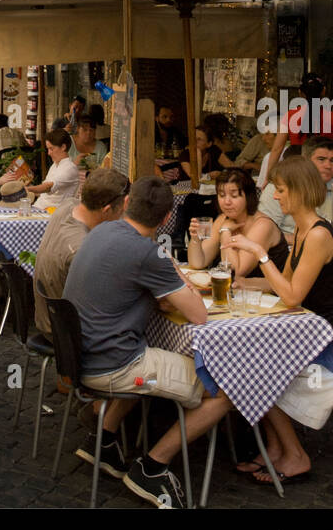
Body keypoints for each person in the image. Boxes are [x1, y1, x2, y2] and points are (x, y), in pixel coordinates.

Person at [64, 176, 232, 508]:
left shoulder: (102, 230)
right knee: (226, 388)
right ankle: (152, 467)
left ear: (126, 204)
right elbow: (198, 314)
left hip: (81, 355)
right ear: (168, 217)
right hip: (115, 367)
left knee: (151, 352)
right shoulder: (147, 253)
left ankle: (105, 440)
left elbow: (131, 283)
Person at [229, 157, 333, 484]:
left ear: (297, 191)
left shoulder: (319, 235)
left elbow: (292, 296)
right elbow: (282, 281)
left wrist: (260, 253)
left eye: (280, 190)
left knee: (258, 378)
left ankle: (295, 455)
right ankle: (277, 449)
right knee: (255, 370)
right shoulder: (301, 227)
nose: (276, 197)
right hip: (323, 337)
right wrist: (241, 283)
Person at [34, 169, 128, 337]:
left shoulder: (68, 206)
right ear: (106, 209)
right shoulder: (82, 250)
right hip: (67, 335)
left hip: (50, 319)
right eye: (122, 211)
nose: (123, 216)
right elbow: (109, 302)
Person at [186, 168, 288, 277]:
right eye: (222, 195)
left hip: (267, 292)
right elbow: (198, 263)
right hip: (239, 291)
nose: (227, 202)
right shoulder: (223, 219)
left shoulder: (262, 225)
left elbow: (236, 271)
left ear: (248, 197)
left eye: (234, 196)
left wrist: (225, 231)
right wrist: (195, 239)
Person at [257, 136, 333, 239]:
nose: (328, 166)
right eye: (321, 159)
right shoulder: (279, 187)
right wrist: (308, 240)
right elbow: (264, 232)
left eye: (332, 160)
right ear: (305, 160)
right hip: (285, 250)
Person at [27, 127, 81, 209]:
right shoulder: (55, 165)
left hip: (50, 214)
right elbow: (44, 191)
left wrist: (26, 189)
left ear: (63, 147)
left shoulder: (70, 168)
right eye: (48, 149)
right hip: (39, 208)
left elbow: (47, 187)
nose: (48, 153)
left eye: (51, 149)